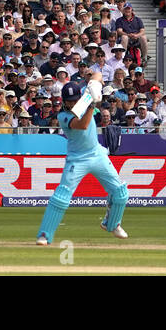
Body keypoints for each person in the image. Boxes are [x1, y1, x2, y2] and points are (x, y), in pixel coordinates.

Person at [36, 74, 128, 246]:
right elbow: (82, 125)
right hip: (77, 160)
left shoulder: (84, 98)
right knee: (61, 197)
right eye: (68, 101)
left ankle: (112, 223)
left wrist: (94, 84)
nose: (71, 104)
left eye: (73, 100)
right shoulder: (63, 116)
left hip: (97, 154)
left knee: (121, 193)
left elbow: (97, 75)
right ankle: (44, 234)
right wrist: (92, 104)